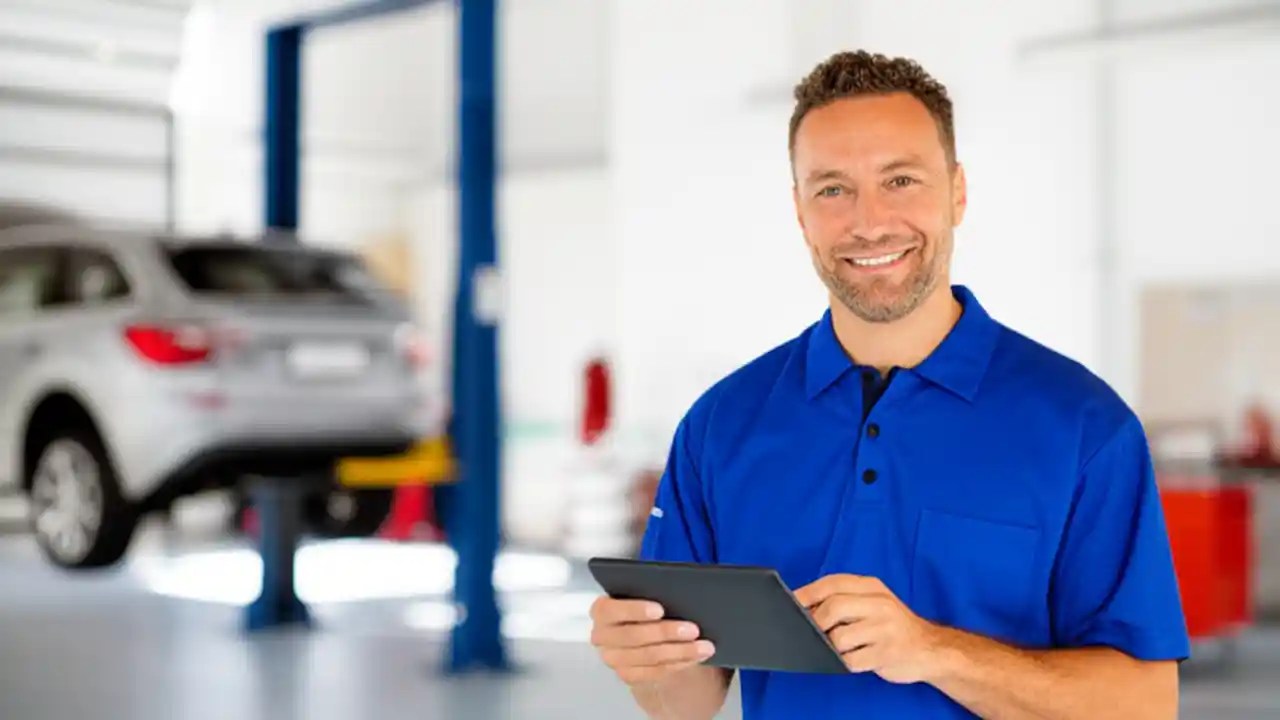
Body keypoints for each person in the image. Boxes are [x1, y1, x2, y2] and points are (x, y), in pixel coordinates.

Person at [589, 50, 1188, 719]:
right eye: (832, 189)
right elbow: (688, 703)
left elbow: (1144, 705)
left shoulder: (1084, 428)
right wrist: (645, 661)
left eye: (900, 180)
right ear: (799, 212)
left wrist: (934, 651)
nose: (869, 222)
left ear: (957, 192)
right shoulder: (721, 426)